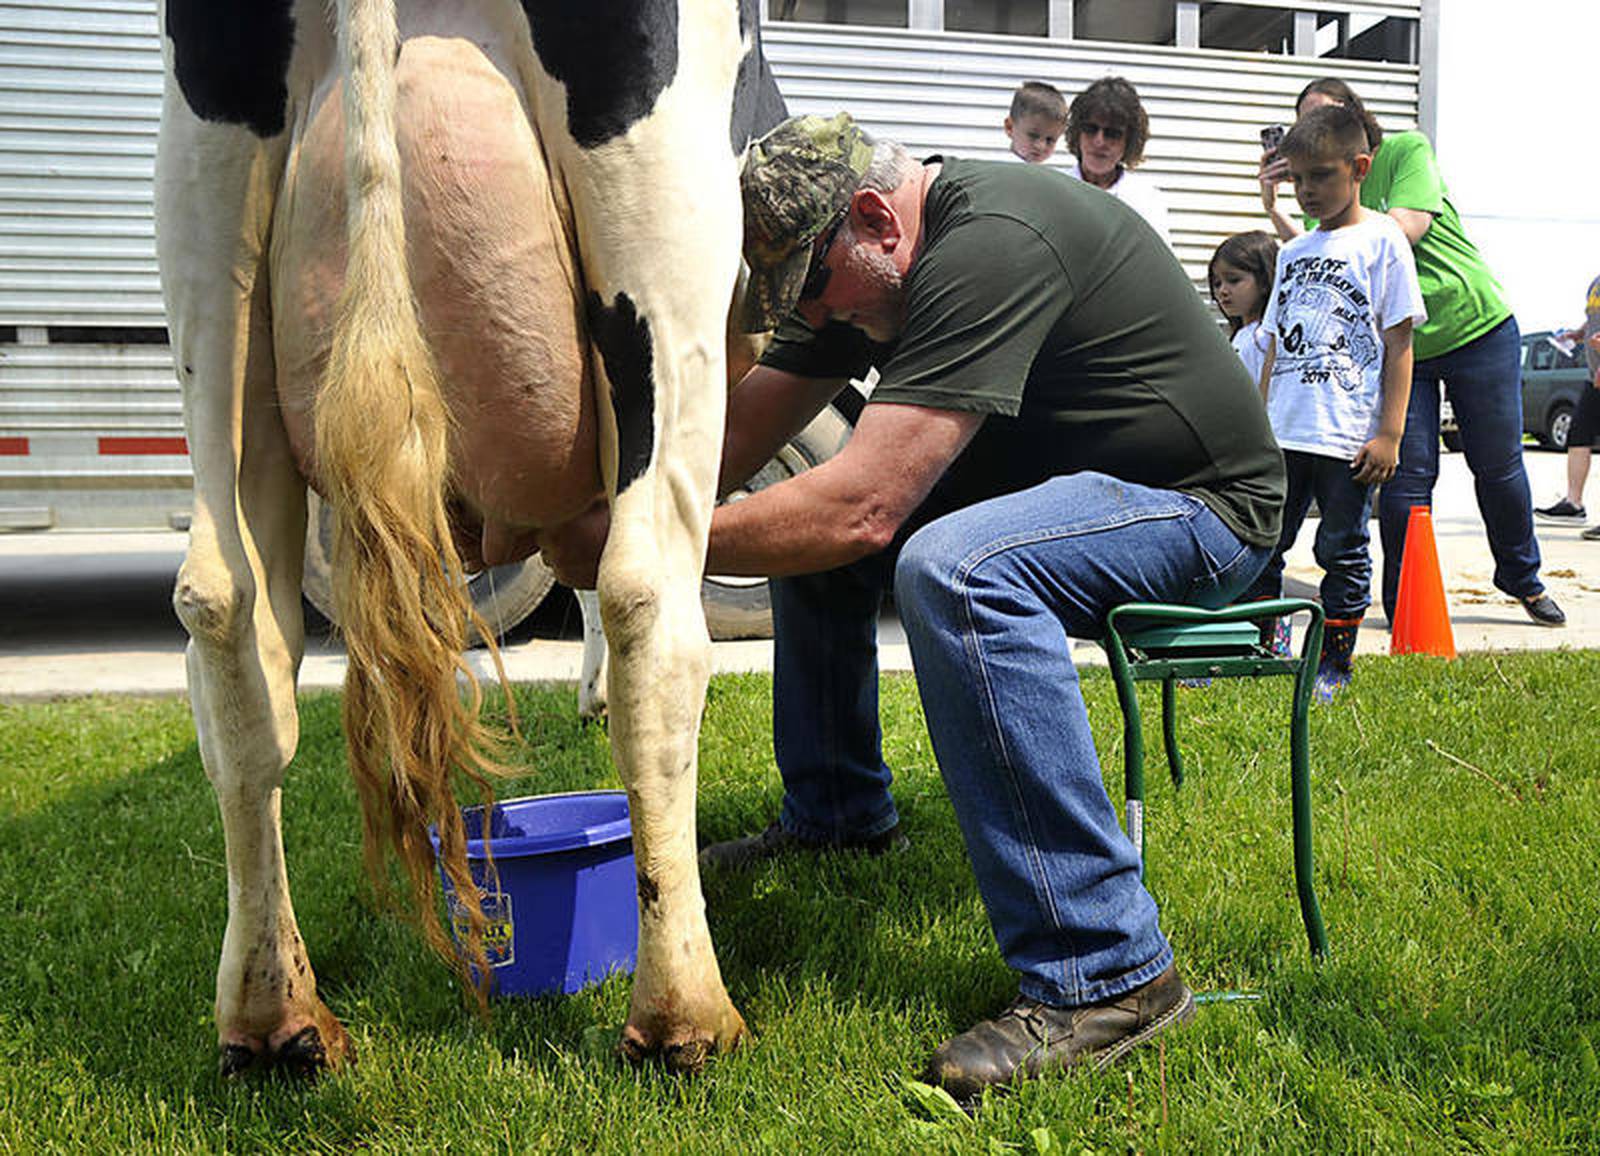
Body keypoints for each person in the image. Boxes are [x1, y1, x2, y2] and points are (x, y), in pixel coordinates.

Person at [539, 112, 1285, 1101]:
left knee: (955, 568)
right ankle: (837, 813)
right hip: (1067, 497)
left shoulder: (992, 243)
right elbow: (736, 438)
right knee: (823, 539)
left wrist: (648, 547)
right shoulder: (848, 262)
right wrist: (596, 504)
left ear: (873, 221)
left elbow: (859, 507)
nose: (817, 313)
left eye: (811, 288)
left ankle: (1108, 974)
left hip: (1197, 512)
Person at [1258, 77, 1565, 628]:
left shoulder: (1404, 151)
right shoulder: (1320, 197)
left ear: (1355, 138)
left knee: (1497, 466)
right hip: (1403, 352)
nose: (1314, 127)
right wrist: (1279, 206)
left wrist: (1335, 211)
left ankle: (1523, 577)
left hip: (1474, 327)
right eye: (1304, 123)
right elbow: (1313, 262)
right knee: (1403, 475)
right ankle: (1404, 603)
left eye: (1327, 117)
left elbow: (1407, 228)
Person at [1242, 105, 1426, 700]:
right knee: (1267, 544)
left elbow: (1400, 343)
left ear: (1360, 168)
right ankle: (1261, 649)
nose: (1307, 190)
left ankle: (1334, 664)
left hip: (1346, 436)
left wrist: (1390, 434)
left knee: (1340, 549)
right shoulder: (1291, 253)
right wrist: (1257, 424)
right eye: (1297, 178)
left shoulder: (1383, 240)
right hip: (1284, 433)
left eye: (1321, 175)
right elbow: (1271, 345)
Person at [1062, 76, 1172, 243]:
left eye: (1112, 133)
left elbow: (1158, 264)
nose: (1099, 142)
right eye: (1090, 129)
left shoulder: (1146, 200)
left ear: (1129, 141)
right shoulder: (1055, 187)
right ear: (1078, 133)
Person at [1532, 272, 1600, 537]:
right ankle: (1573, 503)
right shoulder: (1596, 283)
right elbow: (1593, 321)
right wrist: (1578, 334)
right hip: (1592, 375)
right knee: (1578, 435)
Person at [1209, 230, 1278, 386]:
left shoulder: (1265, 337)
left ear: (1264, 282)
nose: (1223, 291)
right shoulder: (1240, 336)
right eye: (1217, 283)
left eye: (1234, 280)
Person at [1002, 80, 1067, 164]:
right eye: (1033, 135)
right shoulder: (995, 171)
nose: (1041, 146)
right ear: (1009, 127)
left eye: (1050, 140)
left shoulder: (1051, 174)